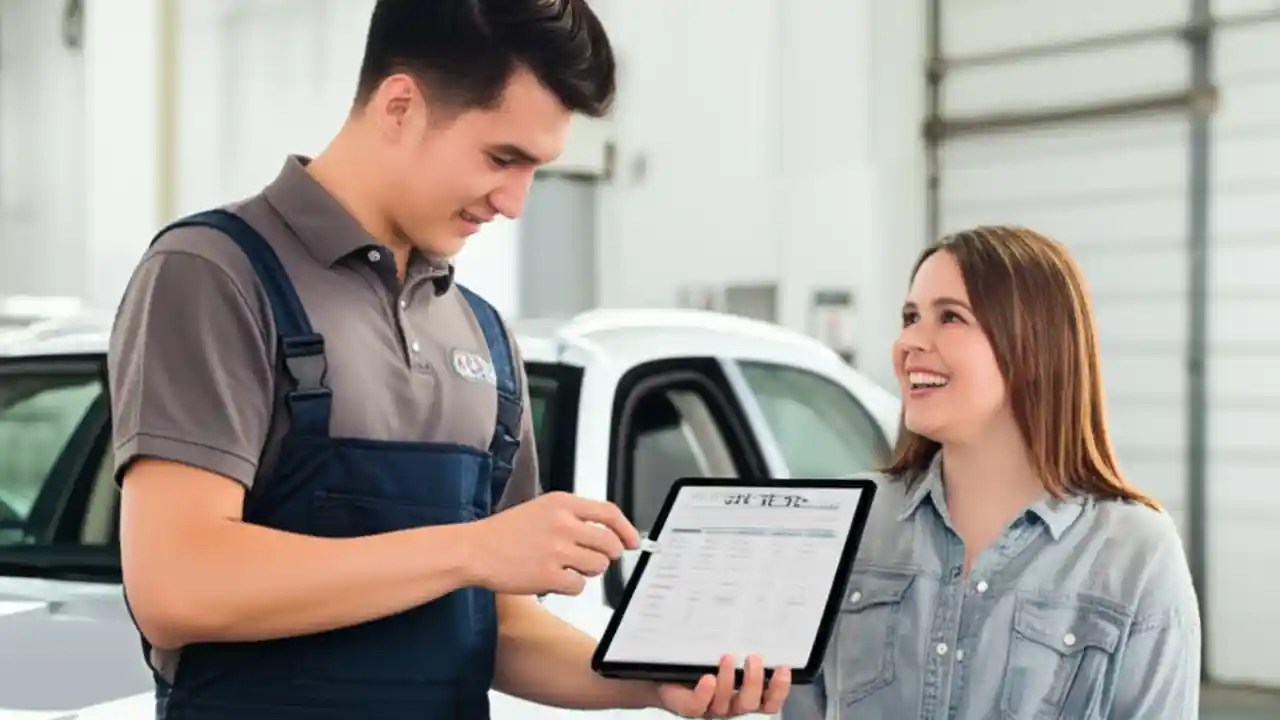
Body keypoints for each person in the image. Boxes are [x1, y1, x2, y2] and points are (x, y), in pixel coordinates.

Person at [107, 1, 791, 718]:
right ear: (400, 106)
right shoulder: (214, 274)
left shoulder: (484, 336)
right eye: (502, 158)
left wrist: (648, 677)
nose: (516, 202)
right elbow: (177, 585)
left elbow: (500, 628)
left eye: (536, 168)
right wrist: (470, 549)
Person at [782, 226, 1201, 719]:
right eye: (910, 317)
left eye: (950, 317)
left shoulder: (1135, 555)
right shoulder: (851, 521)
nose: (910, 343)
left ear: (1033, 348)